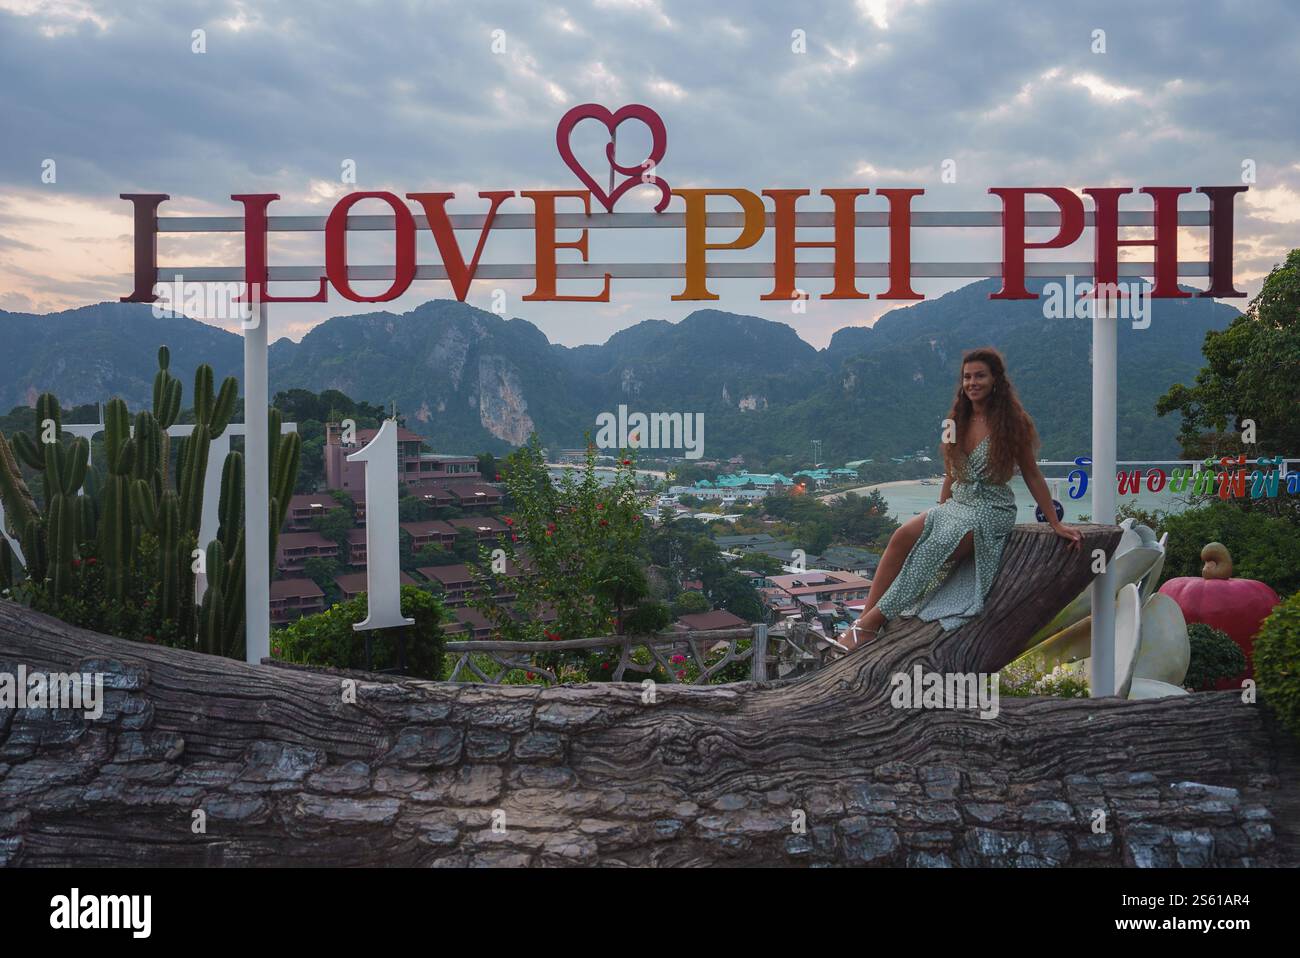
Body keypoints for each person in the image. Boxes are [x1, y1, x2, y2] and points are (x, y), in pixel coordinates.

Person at [843, 347, 1082, 649]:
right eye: (967, 377)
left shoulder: (1013, 422)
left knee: (931, 550)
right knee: (902, 536)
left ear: (996, 380)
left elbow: (1032, 474)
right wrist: (942, 506)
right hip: (959, 503)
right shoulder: (954, 420)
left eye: (980, 376)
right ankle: (865, 622)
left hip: (992, 508)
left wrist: (1055, 523)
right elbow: (951, 468)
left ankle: (869, 624)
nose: (972, 383)